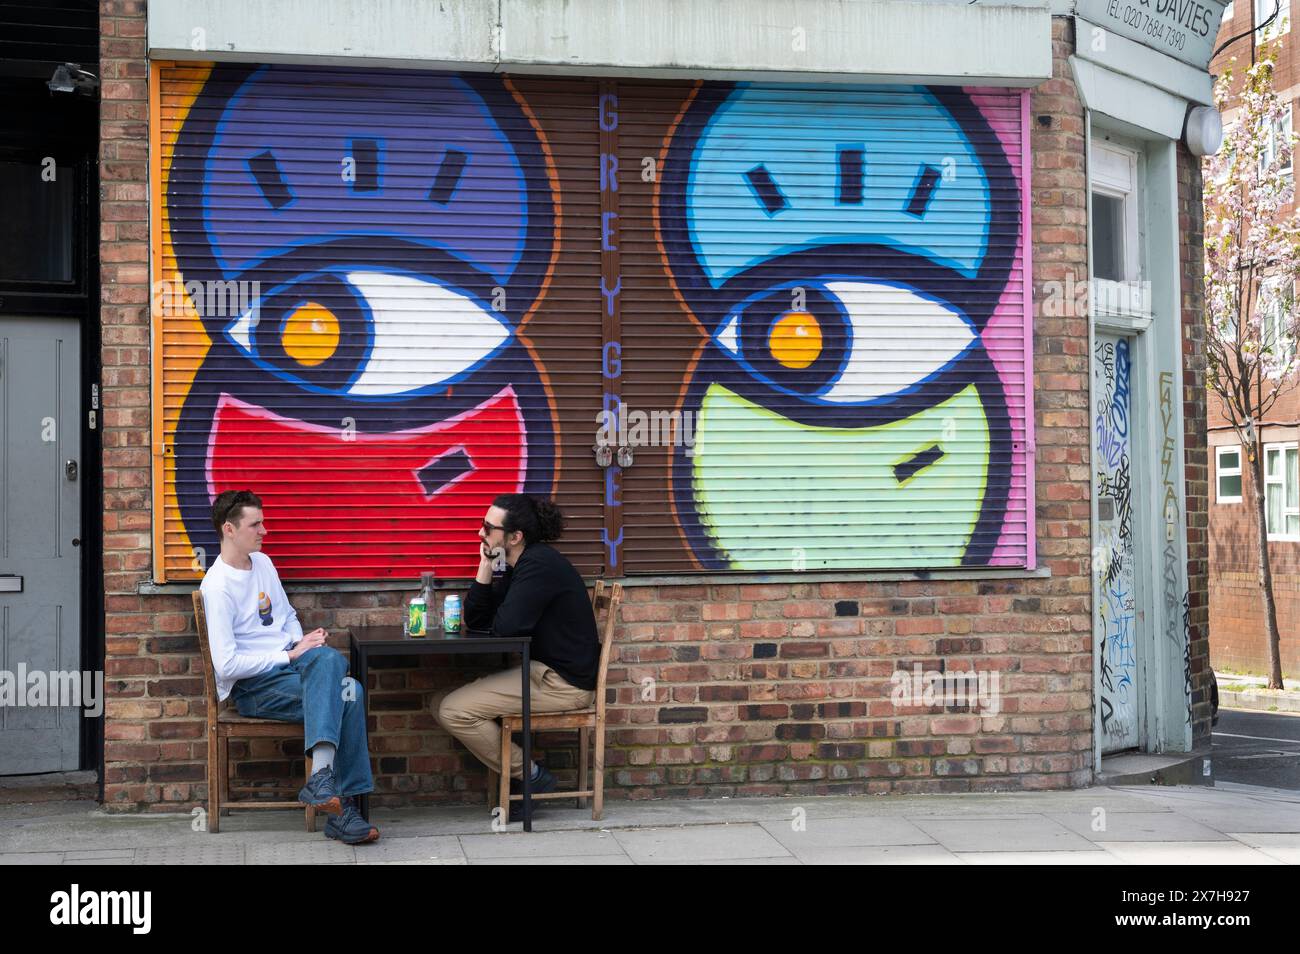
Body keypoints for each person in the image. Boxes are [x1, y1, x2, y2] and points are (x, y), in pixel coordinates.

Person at [199, 489, 379, 845]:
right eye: (256, 524)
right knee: (350, 692)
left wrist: (299, 643)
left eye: (262, 523)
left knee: (328, 658)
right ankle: (343, 812)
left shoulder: (263, 563)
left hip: (292, 669)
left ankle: (322, 781)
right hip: (255, 687)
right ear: (229, 529)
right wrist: (291, 655)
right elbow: (227, 664)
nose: (264, 531)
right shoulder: (216, 587)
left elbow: (287, 616)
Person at [436, 495, 600, 823]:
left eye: (487, 528)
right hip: (542, 673)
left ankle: (531, 775)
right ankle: (524, 774)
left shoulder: (538, 565)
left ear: (515, 537)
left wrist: (500, 607)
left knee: (453, 710)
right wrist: (485, 564)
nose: (480, 533)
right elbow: (479, 619)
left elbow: (506, 629)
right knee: (440, 701)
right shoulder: (522, 564)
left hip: (562, 683)